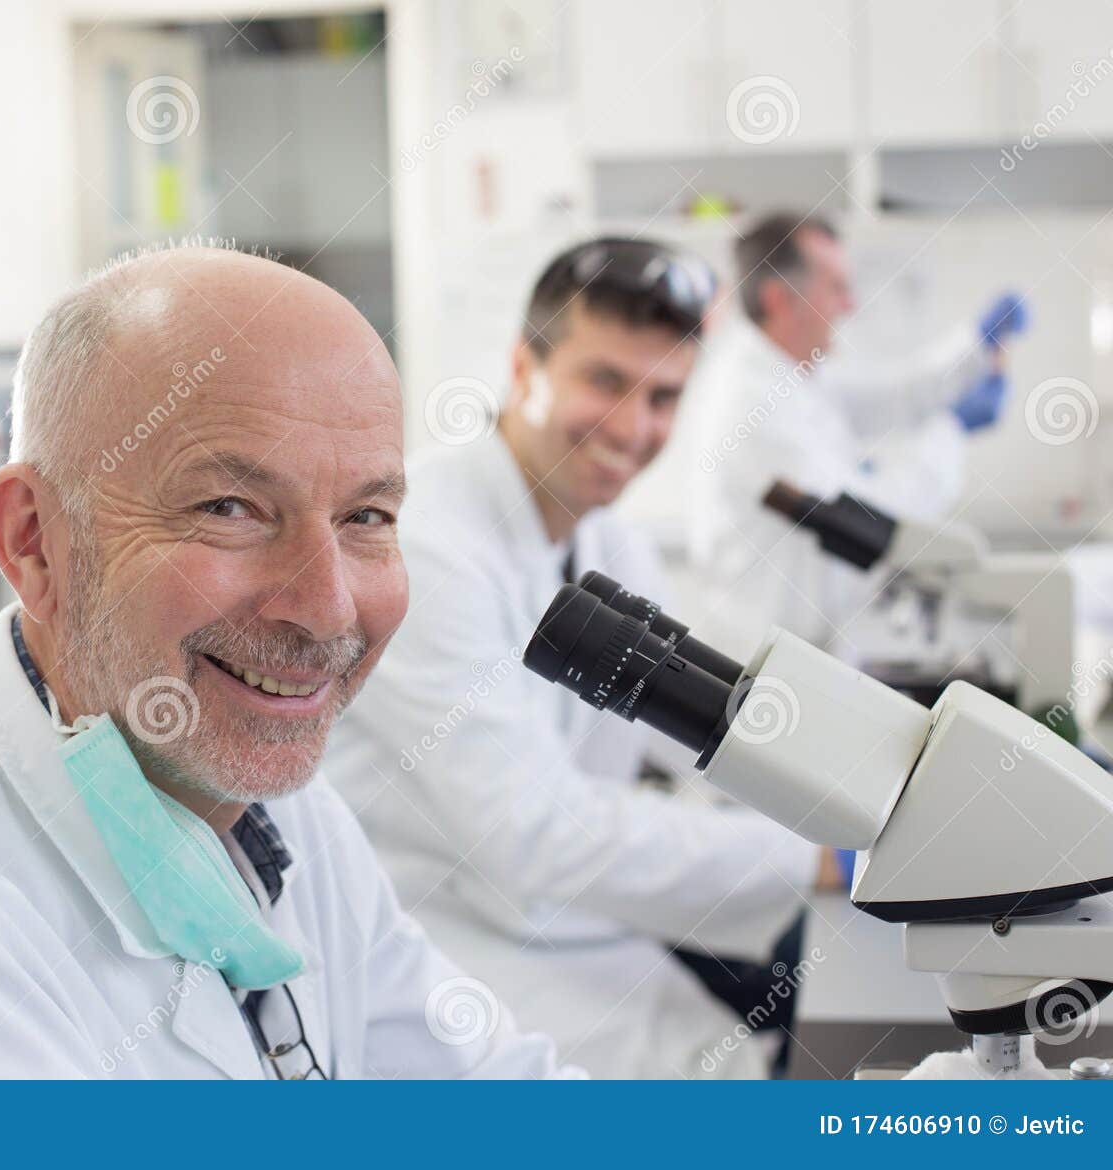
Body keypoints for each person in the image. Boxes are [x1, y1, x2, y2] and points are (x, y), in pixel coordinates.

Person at [0, 245, 578, 1079]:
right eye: (230, 507)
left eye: (366, 518)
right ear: (33, 543)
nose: (327, 607)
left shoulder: (277, 816)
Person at [322, 237, 836, 1080]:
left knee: (770, 1031)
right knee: (736, 1074)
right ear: (525, 368)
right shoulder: (427, 548)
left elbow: (702, 728)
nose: (634, 428)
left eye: (664, 396)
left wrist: (860, 794)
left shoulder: (607, 538)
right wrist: (815, 858)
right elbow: (538, 832)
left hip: (548, 921)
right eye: (605, 382)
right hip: (435, 942)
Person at [682, 212, 1028, 658]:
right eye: (837, 288)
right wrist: (952, 431)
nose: (850, 305)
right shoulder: (750, 402)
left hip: (799, 651)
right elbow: (880, 521)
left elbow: (887, 395)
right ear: (780, 300)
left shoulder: (787, 375)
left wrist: (975, 346)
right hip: (771, 662)